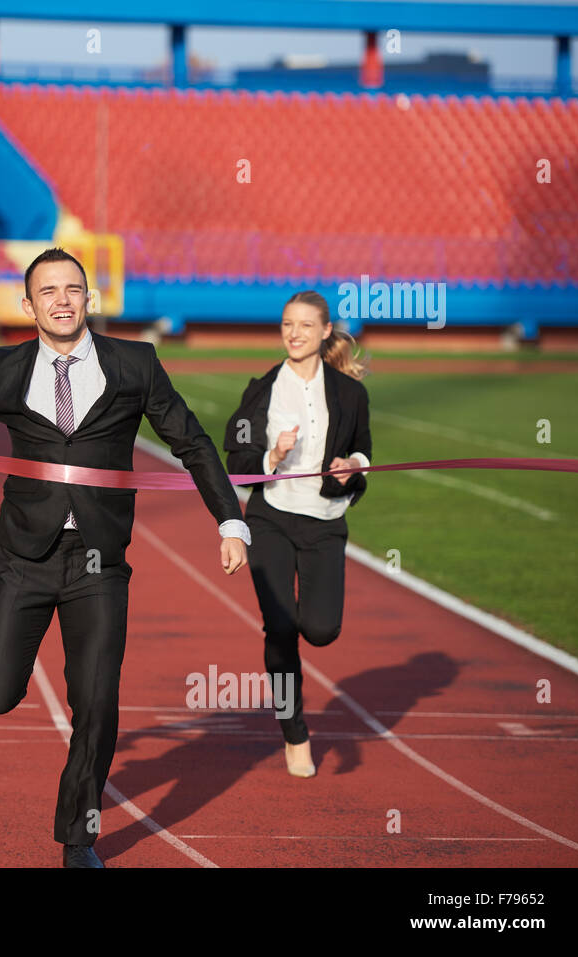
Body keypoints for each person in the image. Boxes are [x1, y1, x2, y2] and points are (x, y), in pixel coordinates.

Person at [0, 248, 249, 867]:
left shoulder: (133, 364)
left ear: (89, 298)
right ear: (27, 305)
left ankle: (77, 836)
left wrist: (230, 522)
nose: (62, 300)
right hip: (23, 557)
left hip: (99, 562)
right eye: (48, 291)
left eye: (73, 289)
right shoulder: (4, 367)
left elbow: (190, 441)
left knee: (97, 701)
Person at [222, 290, 371, 778]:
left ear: (325, 331)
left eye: (306, 325)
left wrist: (352, 467)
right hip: (272, 519)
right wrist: (272, 459)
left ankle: (297, 700)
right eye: (288, 324)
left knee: (322, 631)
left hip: (326, 523)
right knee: (280, 628)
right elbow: (238, 463)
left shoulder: (350, 394)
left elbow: (363, 452)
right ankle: (295, 732)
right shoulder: (262, 391)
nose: (294, 333)